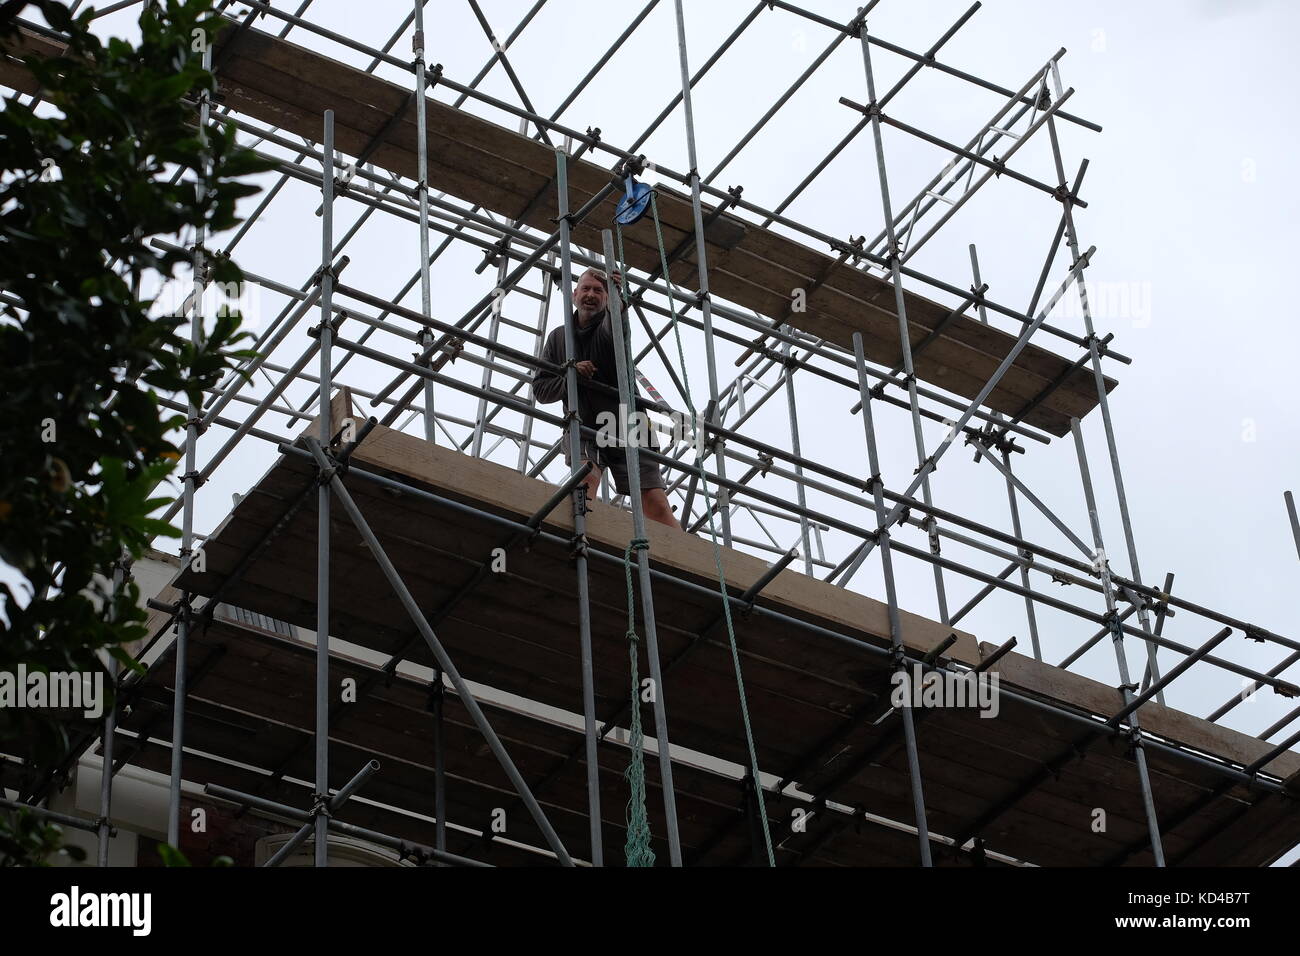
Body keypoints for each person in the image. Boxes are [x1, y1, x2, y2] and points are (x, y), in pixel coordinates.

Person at [533, 267, 677, 528]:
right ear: (574, 294)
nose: (591, 295)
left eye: (599, 291)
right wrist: (571, 377)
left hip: (628, 423)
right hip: (585, 422)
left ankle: (687, 560)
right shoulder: (559, 337)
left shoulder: (609, 329)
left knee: (656, 503)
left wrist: (618, 300)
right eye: (586, 289)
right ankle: (581, 535)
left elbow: (616, 327)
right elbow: (541, 390)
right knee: (585, 480)